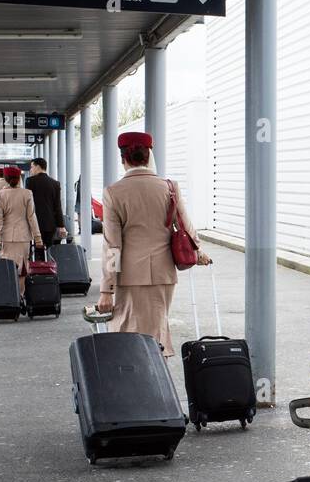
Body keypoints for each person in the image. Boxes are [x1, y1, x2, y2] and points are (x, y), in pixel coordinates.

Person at [92, 131, 211, 356]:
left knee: (127, 332)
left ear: (122, 159)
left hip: (130, 276)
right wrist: (199, 252)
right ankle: (156, 380)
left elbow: (112, 245)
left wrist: (107, 289)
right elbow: (186, 226)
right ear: (148, 155)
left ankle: (139, 384)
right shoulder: (169, 187)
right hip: (164, 274)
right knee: (157, 330)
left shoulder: (113, 193)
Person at [0, 165, 42, 297]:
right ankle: (20, 295)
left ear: (5, 179)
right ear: (19, 178)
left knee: (7, 267)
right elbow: (32, 217)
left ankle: (9, 296)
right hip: (24, 237)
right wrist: (38, 238)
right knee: (22, 269)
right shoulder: (27, 193)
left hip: (6, 237)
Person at [26, 156, 66, 249]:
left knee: (36, 249)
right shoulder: (55, 183)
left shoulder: (30, 181)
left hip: (35, 222)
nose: (31, 170)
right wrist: (61, 225)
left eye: (32, 167)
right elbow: (57, 206)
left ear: (38, 166)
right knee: (48, 249)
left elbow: (28, 203)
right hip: (50, 224)